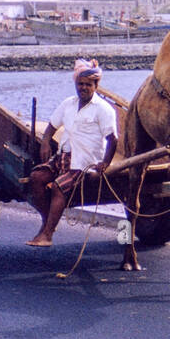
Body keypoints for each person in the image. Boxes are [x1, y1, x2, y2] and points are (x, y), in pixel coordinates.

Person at [26, 58, 118, 247]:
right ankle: (47, 222)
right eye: (80, 84)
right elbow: (51, 126)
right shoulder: (68, 103)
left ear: (96, 85)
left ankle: (47, 235)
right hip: (64, 158)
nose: (83, 87)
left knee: (59, 187)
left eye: (87, 84)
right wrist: (45, 142)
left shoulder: (103, 109)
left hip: (84, 164)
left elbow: (113, 139)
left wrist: (105, 163)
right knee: (36, 177)